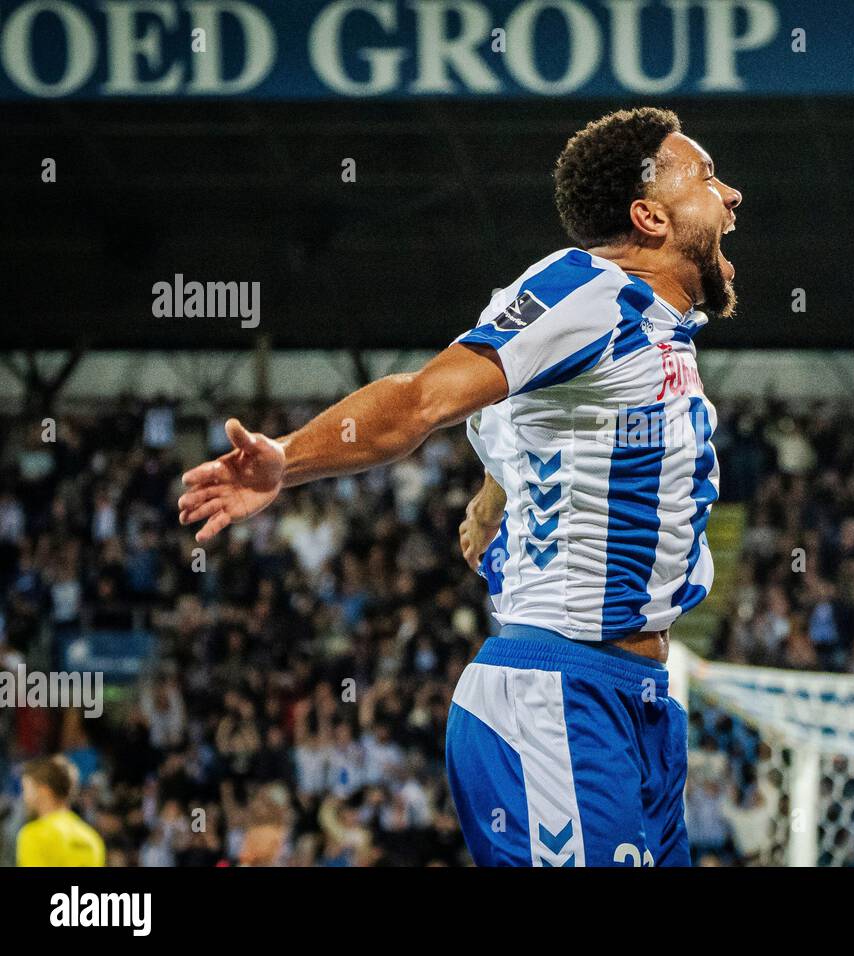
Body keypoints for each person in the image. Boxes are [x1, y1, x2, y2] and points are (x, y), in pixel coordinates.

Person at [178, 107, 742, 867]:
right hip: (560, 696)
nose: (731, 195)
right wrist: (290, 456)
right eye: (705, 178)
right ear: (647, 215)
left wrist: (493, 494)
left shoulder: (655, 331)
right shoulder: (588, 290)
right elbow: (422, 401)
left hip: (635, 703)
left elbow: (524, 419)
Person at [16, 755, 106, 867]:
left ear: (43, 791)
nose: (24, 797)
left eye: (26, 789)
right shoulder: (92, 838)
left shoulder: (33, 835)